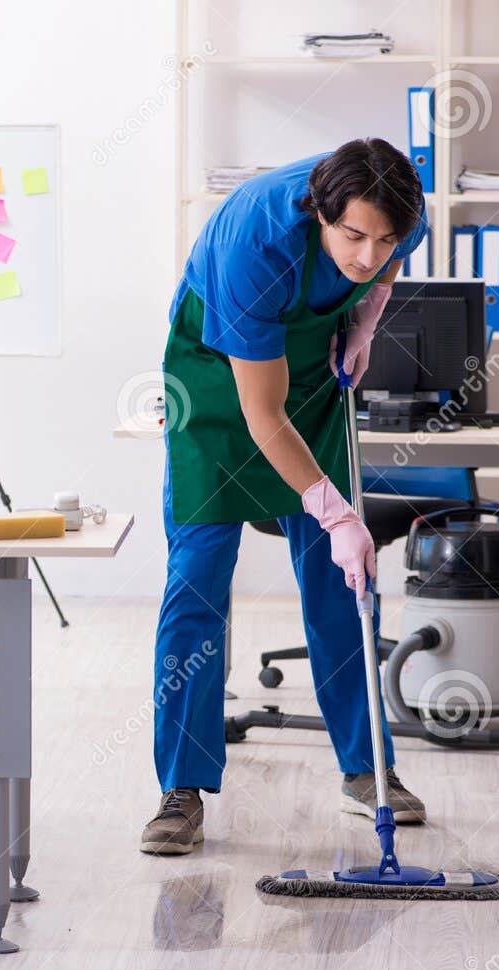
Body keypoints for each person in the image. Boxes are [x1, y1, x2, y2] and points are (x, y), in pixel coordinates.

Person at [143, 138, 429, 856]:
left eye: (385, 239)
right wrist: (333, 510)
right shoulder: (253, 241)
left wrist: (366, 319)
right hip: (217, 378)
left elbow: (387, 267)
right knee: (198, 578)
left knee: (344, 577)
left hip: (312, 370)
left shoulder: (402, 213)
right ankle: (182, 787)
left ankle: (368, 769)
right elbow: (261, 414)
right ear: (318, 211)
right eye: (353, 236)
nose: (368, 256)